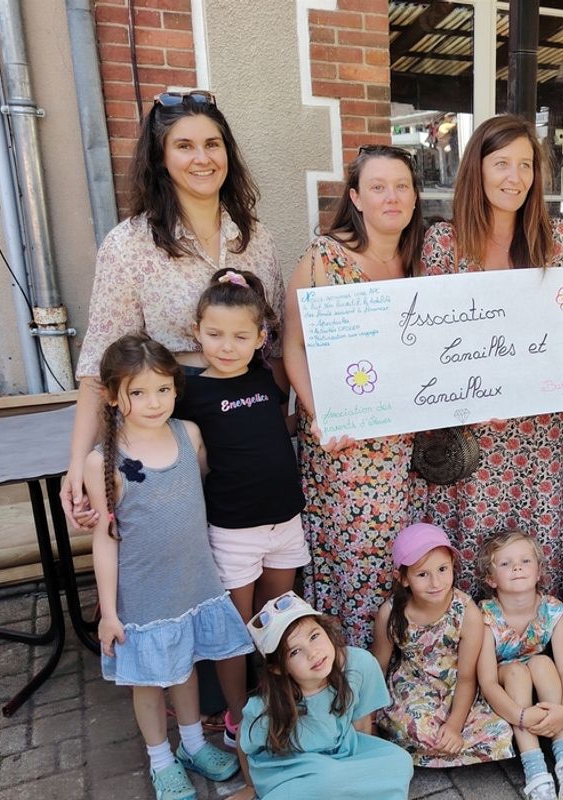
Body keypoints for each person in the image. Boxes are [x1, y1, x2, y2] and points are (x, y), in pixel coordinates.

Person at [65, 89, 285, 530]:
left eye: (212, 144)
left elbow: (275, 348)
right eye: (184, 146)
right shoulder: (129, 245)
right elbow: (99, 367)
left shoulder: (255, 238)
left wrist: (278, 428)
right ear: (161, 158)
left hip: (248, 427)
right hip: (169, 426)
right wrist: (78, 464)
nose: (202, 158)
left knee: (258, 549)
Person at [420, 114, 563, 605]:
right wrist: (466, 402)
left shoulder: (556, 240)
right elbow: (428, 341)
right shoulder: (444, 242)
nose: (515, 177)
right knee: (477, 545)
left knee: (536, 543)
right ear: (478, 168)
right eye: (502, 164)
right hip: (473, 435)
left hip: (540, 433)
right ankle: (474, 642)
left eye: (525, 165)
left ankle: (540, 639)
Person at [82, 334, 253, 800]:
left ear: (176, 388)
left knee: (186, 667)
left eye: (162, 389)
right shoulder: (104, 462)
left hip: (193, 582)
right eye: (138, 392)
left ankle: (193, 744)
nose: (154, 402)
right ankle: (161, 760)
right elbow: (105, 539)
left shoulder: (188, 435)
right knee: (149, 680)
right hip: (144, 593)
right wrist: (109, 612)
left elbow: (200, 488)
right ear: (113, 396)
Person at [282, 145, 425, 647]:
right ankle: (351, 662)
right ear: (356, 197)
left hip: (407, 442)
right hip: (347, 443)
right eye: (378, 187)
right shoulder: (324, 258)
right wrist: (319, 413)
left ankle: (400, 661)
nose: (392, 197)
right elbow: (293, 344)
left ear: (415, 197)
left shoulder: (421, 259)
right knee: (357, 558)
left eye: (401, 186)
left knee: (405, 555)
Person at [173, 268, 307, 747]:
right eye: (215, 334)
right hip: (232, 529)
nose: (226, 346)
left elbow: (280, 428)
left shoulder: (266, 378)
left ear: (260, 338)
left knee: (278, 620)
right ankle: (236, 717)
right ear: (197, 331)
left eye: (239, 336)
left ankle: (276, 701)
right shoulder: (190, 394)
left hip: (285, 521)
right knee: (233, 630)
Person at [237, 592, 414, 800]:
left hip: (343, 751)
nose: (313, 653)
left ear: (326, 630)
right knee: (328, 778)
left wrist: (362, 766)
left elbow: (362, 725)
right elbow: (243, 739)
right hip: (292, 767)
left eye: (314, 636)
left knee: (401, 762)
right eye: (294, 652)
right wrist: (249, 786)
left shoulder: (359, 664)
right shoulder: (267, 704)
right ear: (278, 668)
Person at [372, 522, 514, 766]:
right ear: (403, 578)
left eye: (442, 569)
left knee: (500, 733)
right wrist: (370, 719)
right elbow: (378, 667)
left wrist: (455, 725)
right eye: (422, 574)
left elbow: (467, 677)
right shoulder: (391, 613)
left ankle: (435, 745)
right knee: (417, 727)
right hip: (414, 687)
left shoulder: (467, 611)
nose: (435, 582)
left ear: (452, 566)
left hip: (456, 689)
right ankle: (431, 744)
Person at [475, 531, 563, 800]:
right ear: (491, 579)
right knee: (516, 671)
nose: (517, 567)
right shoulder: (485, 616)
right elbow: (487, 681)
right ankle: (535, 770)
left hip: (538, 673)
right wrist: (520, 716)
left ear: (539, 572)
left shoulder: (553, 611)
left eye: (525, 561)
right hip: (505, 679)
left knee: (542, 662)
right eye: (505, 563)